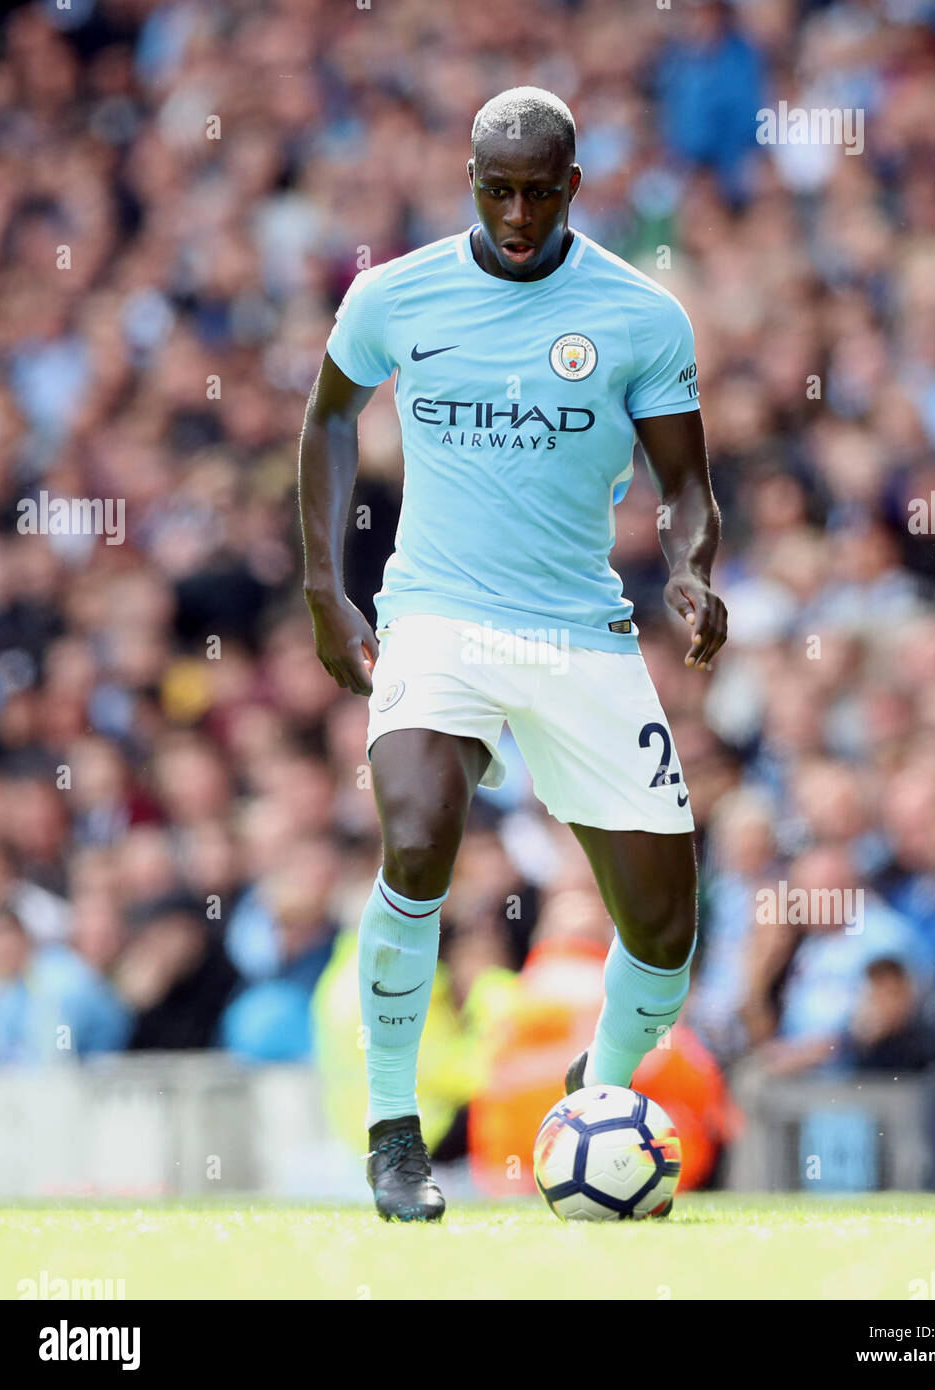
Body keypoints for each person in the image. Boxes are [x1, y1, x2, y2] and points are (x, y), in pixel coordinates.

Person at [298, 88, 727, 1221]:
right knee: (420, 834)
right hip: (436, 615)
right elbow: (330, 416)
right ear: (470, 182)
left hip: (576, 628)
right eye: (498, 189)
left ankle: (598, 1095)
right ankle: (396, 1137)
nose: (519, 211)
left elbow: (685, 487)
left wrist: (687, 568)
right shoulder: (395, 292)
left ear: (575, 186)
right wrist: (322, 584)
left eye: (541, 190)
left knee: (664, 928)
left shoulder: (640, 317)